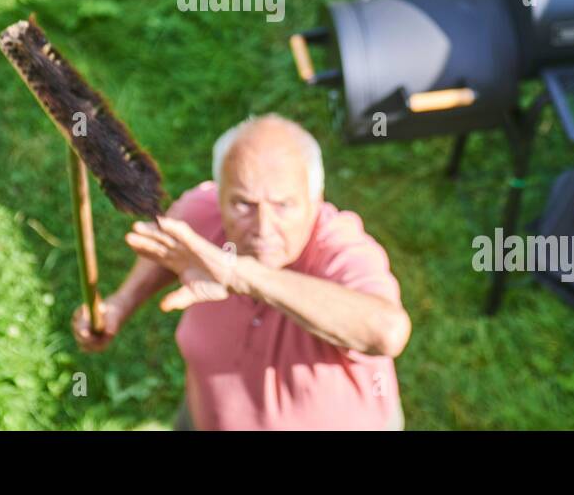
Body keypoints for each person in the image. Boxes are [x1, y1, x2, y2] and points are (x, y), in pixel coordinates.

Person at [72, 113, 410, 430]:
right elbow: (167, 249)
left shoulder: (341, 248)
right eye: (243, 204)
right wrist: (120, 304)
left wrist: (241, 275)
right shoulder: (202, 212)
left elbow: (387, 332)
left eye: (283, 205)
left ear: (314, 198)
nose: (263, 227)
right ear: (219, 195)